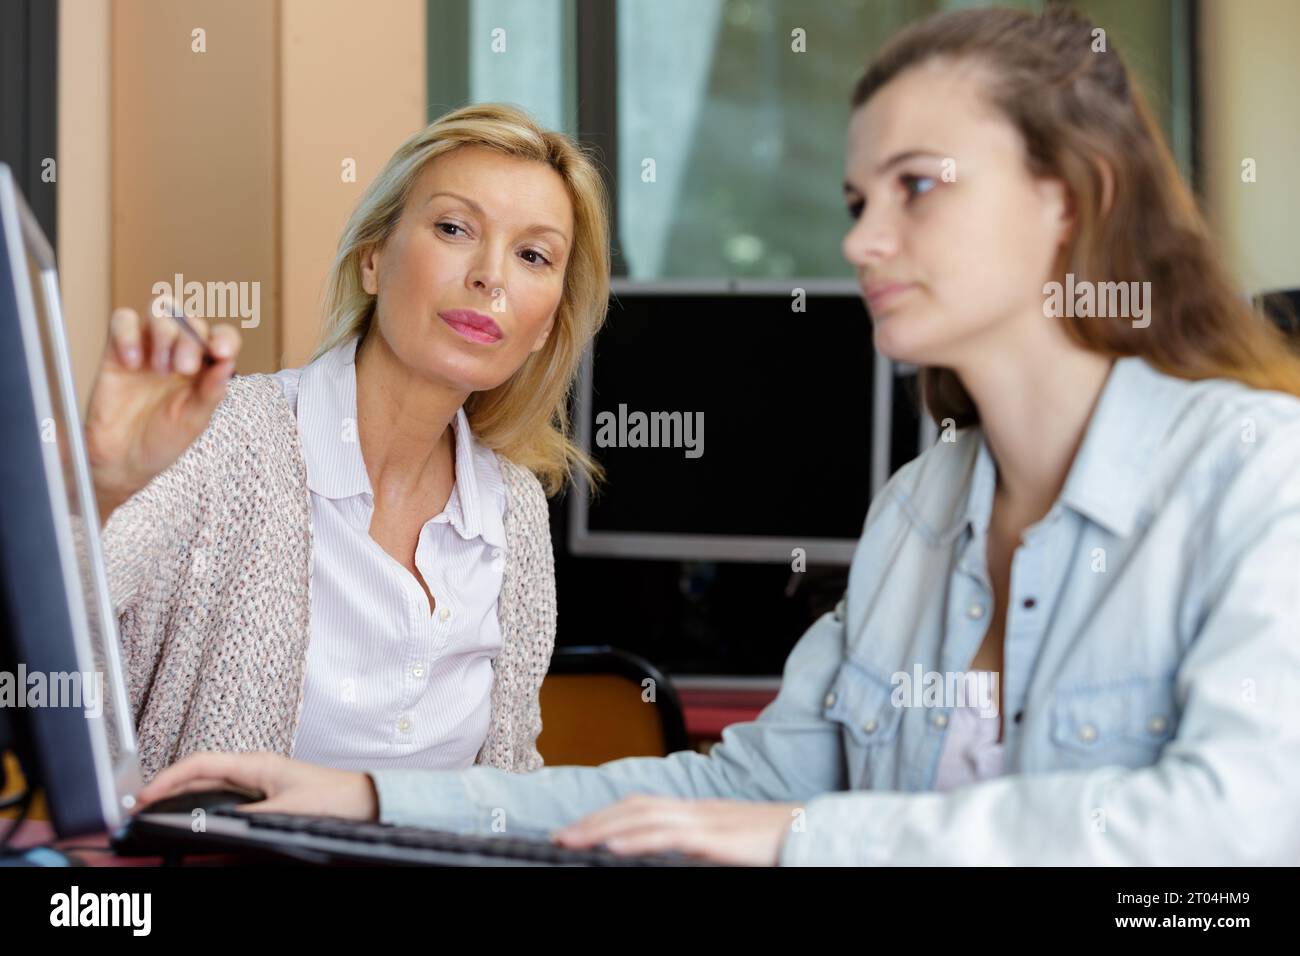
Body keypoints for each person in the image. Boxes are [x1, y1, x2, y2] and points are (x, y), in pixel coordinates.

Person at [139, 6, 1300, 865]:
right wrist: (361, 799)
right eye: (856, 202)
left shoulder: (1257, 472)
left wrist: (801, 839)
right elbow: (748, 780)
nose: (859, 242)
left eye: (918, 187)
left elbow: (1230, 832)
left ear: (1072, 199)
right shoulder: (921, 510)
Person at [88, 103, 610, 779]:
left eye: (533, 255)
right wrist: (96, 489)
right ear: (373, 259)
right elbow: (49, 655)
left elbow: (508, 784)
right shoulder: (223, 437)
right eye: (455, 228)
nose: (491, 277)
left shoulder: (512, 509)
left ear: (545, 326)